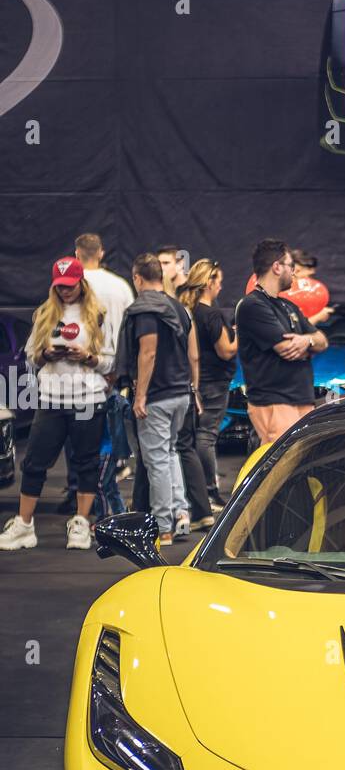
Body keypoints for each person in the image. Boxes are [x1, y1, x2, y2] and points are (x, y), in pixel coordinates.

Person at [0, 259, 111, 552]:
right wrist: (46, 354)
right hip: (51, 399)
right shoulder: (44, 314)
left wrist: (87, 357)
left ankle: (81, 523)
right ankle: (24, 525)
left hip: (88, 400)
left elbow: (111, 360)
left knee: (86, 463)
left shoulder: (97, 315)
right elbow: (29, 358)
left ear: (81, 283)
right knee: (34, 462)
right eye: (60, 287)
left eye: (70, 286)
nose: (65, 291)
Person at [118, 253, 197, 546]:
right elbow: (193, 354)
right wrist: (195, 389)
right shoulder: (178, 307)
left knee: (156, 462)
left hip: (158, 396)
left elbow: (148, 352)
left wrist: (140, 396)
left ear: (137, 278)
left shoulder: (145, 309)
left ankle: (163, 527)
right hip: (180, 393)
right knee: (170, 452)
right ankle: (182, 514)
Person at [236, 238, 326, 446]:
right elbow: (285, 348)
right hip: (275, 401)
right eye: (290, 266)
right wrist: (310, 344)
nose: (293, 272)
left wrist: (307, 341)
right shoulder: (253, 305)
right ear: (277, 267)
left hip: (301, 399)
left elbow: (322, 341)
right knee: (282, 468)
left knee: (300, 465)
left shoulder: (288, 306)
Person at [76, 232, 134, 517]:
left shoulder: (73, 285)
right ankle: (102, 508)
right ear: (100, 253)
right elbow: (130, 333)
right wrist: (119, 372)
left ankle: (97, 509)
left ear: (77, 255)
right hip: (111, 375)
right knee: (107, 448)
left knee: (86, 448)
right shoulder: (121, 286)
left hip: (78, 379)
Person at [177, 259, 237, 512]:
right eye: (219, 282)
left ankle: (196, 493)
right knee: (206, 437)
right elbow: (225, 351)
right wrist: (241, 332)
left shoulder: (186, 312)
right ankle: (209, 493)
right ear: (208, 283)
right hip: (212, 383)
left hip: (192, 382)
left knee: (191, 439)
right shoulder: (211, 315)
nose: (221, 288)